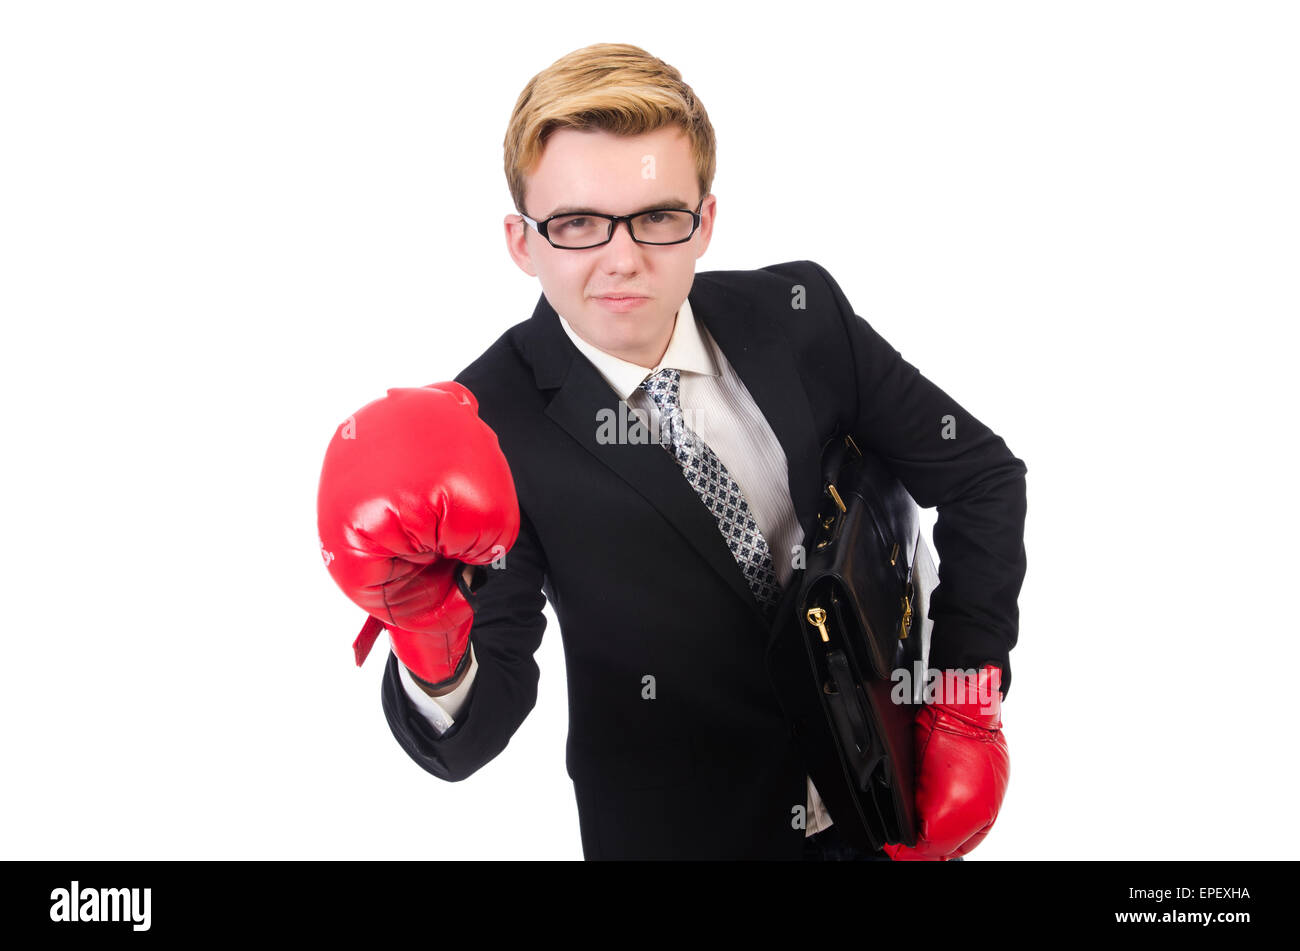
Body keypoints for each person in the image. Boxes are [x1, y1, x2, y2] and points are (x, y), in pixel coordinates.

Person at [318, 43, 1026, 861]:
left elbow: (980, 475)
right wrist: (429, 640)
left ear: (706, 222)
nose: (623, 258)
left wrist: (966, 698)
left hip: (884, 805)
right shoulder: (488, 427)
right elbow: (471, 737)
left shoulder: (801, 313)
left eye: (657, 217)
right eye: (578, 223)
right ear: (522, 242)